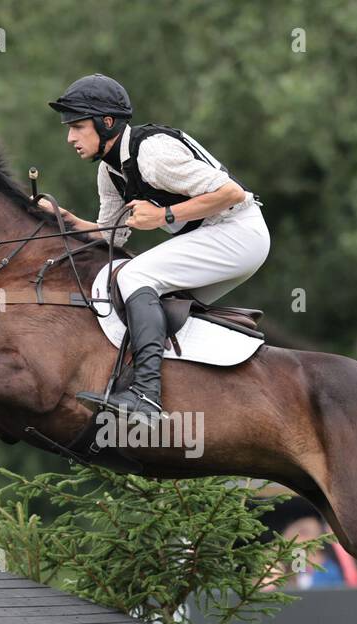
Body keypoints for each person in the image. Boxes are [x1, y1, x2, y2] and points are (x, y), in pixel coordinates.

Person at [42, 74, 270, 425]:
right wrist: (66, 219)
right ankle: (184, 394)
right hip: (220, 237)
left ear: (107, 123)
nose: (70, 137)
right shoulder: (109, 171)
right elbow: (111, 238)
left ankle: (146, 397)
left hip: (238, 232)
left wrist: (164, 214)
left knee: (134, 276)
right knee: (148, 296)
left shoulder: (151, 153)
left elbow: (232, 194)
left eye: (77, 126)